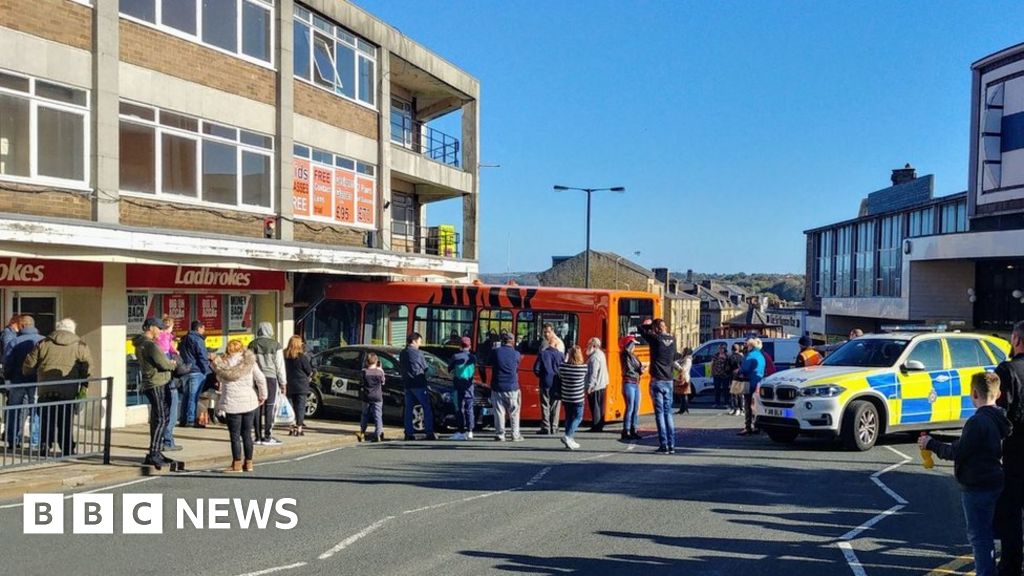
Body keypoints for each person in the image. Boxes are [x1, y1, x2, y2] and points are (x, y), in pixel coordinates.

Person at [920, 372, 1010, 576]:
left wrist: (931, 444)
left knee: (979, 536)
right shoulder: (1000, 418)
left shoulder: (977, 422)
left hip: (977, 484)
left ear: (974, 394)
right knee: (991, 532)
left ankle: (986, 573)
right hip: (995, 480)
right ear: (998, 394)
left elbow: (958, 451)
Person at [23, 318, 93, 458]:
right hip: (68, 391)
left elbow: (28, 367)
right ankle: (67, 450)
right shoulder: (80, 346)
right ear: (72, 330)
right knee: (65, 422)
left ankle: (44, 448)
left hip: (45, 390)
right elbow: (88, 370)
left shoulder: (43, 343)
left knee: (46, 421)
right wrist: (83, 384)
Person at [996, 320, 1024, 576]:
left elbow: (999, 414)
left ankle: (1012, 566)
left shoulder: (1007, 371)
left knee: (1012, 512)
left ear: (1016, 340)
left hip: (1016, 450)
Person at [129, 317, 176, 468]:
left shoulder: (141, 344)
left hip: (151, 383)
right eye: (159, 328)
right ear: (151, 328)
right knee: (162, 418)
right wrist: (173, 364)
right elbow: (163, 363)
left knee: (158, 417)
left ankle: (156, 451)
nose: (161, 331)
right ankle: (154, 452)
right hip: (157, 383)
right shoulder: (150, 345)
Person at [214, 339, 267, 473]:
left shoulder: (223, 365)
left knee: (235, 435)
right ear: (241, 349)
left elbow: (219, 380)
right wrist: (263, 395)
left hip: (232, 403)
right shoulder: (249, 363)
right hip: (249, 401)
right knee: (247, 434)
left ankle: (236, 464)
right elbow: (260, 379)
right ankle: (249, 463)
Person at [4, 316, 43, 449]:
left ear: (22, 326)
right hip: (37, 381)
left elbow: (7, 362)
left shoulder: (14, 341)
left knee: (14, 410)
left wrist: (7, 377)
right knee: (36, 411)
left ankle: (13, 440)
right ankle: (35, 441)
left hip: (17, 381)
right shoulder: (43, 340)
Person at [640, 318, 678, 454]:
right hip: (669, 380)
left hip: (657, 380)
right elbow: (673, 357)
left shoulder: (655, 339)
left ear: (656, 328)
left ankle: (663, 445)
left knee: (660, 414)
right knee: (669, 414)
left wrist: (648, 324)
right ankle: (671, 445)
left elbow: (641, 330)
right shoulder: (673, 340)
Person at [249, 322, 287, 446]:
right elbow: (280, 365)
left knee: (257, 406)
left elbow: (248, 362)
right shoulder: (275, 345)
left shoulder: (252, 344)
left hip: (255, 378)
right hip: (271, 378)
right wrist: (283, 383)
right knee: (270, 406)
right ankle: (268, 435)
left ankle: (258, 436)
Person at [400, 332, 436, 441]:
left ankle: (408, 433)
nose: (420, 343)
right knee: (426, 407)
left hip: (407, 384)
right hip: (419, 383)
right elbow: (426, 369)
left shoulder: (403, 353)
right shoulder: (418, 353)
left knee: (408, 409)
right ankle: (429, 432)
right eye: (419, 341)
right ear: (414, 341)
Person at [155, 315, 182, 453]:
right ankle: (167, 441)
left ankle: (163, 441)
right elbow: (168, 357)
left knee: (163, 414)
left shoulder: (156, 340)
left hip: (161, 383)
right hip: (169, 382)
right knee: (171, 414)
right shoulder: (165, 339)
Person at [489, 332, 523, 442]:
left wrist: (494, 348)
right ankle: (515, 434)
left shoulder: (496, 352)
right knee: (514, 412)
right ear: (512, 342)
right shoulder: (516, 354)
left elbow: (488, 361)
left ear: (502, 341)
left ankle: (500, 434)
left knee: (499, 412)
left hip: (498, 386)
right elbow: (517, 365)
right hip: (512, 386)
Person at [178, 321, 211, 428]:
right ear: (199, 328)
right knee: (193, 397)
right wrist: (206, 370)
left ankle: (183, 419)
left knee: (186, 397)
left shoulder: (184, 339)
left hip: (185, 371)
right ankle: (190, 420)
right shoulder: (198, 339)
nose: (204, 331)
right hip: (196, 371)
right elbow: (202, 356)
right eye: (203, 329)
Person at [558, 346, 589, 450]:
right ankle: (568, 436)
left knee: (569, 417)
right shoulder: (583, 368)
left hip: (566, 397)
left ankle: (569, 439)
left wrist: (566, 359)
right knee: (578, 417)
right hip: (578, 397)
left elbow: (559, 375)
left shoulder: (563, 367)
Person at [283, 335, 314, 437]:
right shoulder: (301, 357)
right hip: (301, 385)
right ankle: (299, 428)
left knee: (290, 407)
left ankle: (291, 427)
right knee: (300, 407)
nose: (302, 344)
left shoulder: (284, 356)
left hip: (289, 384)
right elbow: (309, 370)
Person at [534, 332, 564, 435]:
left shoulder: (542, 354)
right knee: (555, 406)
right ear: (556, 344)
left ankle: (546, 427)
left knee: (544, 405)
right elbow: (563, 369)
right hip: (556, 383)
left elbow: (536, 369)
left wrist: (542, 376)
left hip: (545, 382)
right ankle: (554, 427)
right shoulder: (560, 355)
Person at [447, 337, 477, 440]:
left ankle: (461, 431)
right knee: (469, 408)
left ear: (460, 345)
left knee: (459, 408)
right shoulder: (473, 357)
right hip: (469, 386)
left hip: (457, 385)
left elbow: (449, 369)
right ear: (470, 346)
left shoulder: (455, 356)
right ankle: (470, 431)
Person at [738, 337, 766, 436]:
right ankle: (757, 426)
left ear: (751, 345)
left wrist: (738, 371)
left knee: (748, 404)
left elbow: (744, 368)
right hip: (759, 382)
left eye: (747, 345)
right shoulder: (761, 355)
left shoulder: (750, 355)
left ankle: (748, 426)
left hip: (749, 382)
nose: (746, 347)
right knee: (757, 405)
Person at [357, 352, 385, 442]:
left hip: (366, 396)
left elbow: (361, 382)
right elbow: (383, 382)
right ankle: (378, 433)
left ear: (367, 362)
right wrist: (380, 369)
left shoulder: (364, 372)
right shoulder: (379, 372)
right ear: (376, 361)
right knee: (378, 416)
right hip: (377, 397)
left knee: (365, 415)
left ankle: (362, 431)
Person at [620, 336, 642, 440]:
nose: (634, 347)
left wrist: (641, 369)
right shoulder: (625, 354)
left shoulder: (633, 356)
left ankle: (634, 429)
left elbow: (638, 367)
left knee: (636, 407)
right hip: (628, 382)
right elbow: (626, 350)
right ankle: (626, 430)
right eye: (633, 345)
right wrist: (631, 342)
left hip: (636, 382)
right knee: (630, 407)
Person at [585, 337, 609, 432]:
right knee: (599, 406)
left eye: (589, 344)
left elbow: (593, 373)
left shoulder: (594, 357)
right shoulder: (601, 354)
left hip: (596, 385)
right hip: (602, 383)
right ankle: (599, 425)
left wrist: (590, 386)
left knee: (595, 406)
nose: (587, 346)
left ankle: (596, 426)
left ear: (594, 346)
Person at [727, 343, 746, 416]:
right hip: (741, 376)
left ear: (732, 350)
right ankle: (741, 409)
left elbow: (727, 368)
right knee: (740, 394)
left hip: (733, 377)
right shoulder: (742, 357)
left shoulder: (730, 357)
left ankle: (736, 408)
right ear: (738, 349)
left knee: (734, 394)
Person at [711, 344, 730, 409]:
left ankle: (726, 403)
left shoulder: (727, 356)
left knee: (725, 390)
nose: (720, 350)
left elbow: (729, 365)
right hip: (717, 375)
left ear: (724, 349)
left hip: (725, 375)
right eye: (719, 348)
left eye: (722, 348)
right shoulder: (715, 355)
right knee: (717, 389)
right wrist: (712, 372)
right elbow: (712, 364)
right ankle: (717, 403)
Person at [675, 348, 693, 415]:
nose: (682, 352)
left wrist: (677, 366)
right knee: (681, 394)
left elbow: (684, 369)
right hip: (680, 377)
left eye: (683, 351)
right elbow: (676, 362)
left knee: (684, 394)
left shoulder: (688, 360)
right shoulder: (683, 359)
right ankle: (683, 408)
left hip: (684, 378)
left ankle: (684, 408)